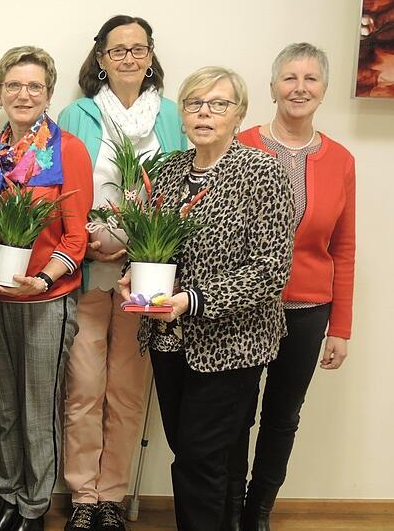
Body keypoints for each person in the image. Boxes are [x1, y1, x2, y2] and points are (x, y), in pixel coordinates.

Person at [118, 66, 295, 530]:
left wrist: (192, 300)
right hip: (169, 338)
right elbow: (144, 242)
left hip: (232, 343)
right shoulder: (166, 171)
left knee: (197, 456)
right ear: (182, 114)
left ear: (240, 115)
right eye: (194, 103)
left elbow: (270, 269)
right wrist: (130, 276)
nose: (204, 113)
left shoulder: (262, 173)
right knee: (196, 451)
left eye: (219, 104)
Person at [56, 15, 185, 531]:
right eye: (118, 49)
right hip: (88, 271)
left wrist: (141, 249)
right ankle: (83, 497)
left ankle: (113, 496)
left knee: (129, 391)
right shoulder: (78, 113)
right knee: (84, 387)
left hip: (147, 277)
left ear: (150, 56)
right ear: (101, 59)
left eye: (139, 48)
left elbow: (181, 190)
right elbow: (61, 186)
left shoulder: (173, 116)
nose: (129, 57)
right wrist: (89, 242)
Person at [234, 43, 356, 530]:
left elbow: (343, 249)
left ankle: (257, 508)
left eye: (310, 79)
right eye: (289, 78)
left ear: (323, 91)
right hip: (242, 306)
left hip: (308, 310)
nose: (299, 87)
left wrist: (340, 327)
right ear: (271, 88)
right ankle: (224, 502)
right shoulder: (239, 144)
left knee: (282, 416)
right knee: (236, 412)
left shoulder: (341, 160)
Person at [0, 46, 93, 531]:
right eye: (14, 85)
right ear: (0, 91)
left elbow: (77, 234)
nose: (23, 94)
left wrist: (44, 278)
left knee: (38, 408)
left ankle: (35, 508)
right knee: (4, 407)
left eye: (35, 86)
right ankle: (9, 500)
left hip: (46, 297)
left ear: (48, 93)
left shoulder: (68, 150)